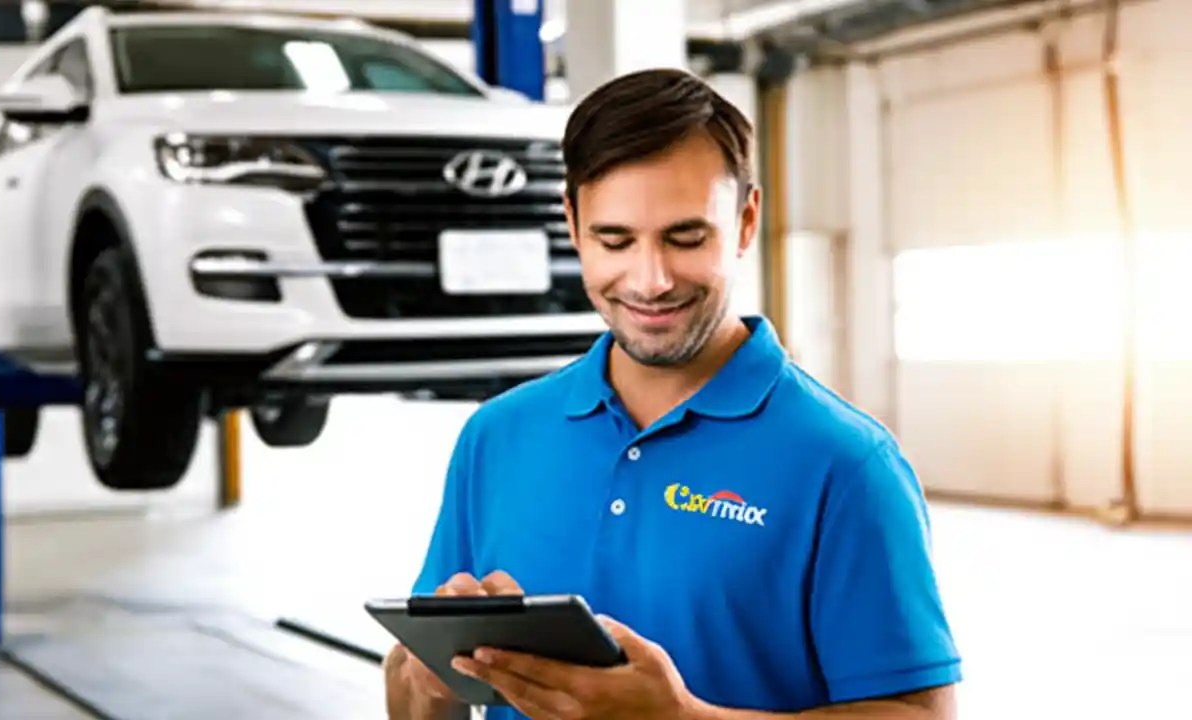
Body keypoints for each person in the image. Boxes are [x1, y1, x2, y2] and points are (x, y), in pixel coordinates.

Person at [383, 68, 961, 720]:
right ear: (573, 224)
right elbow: (413, 696)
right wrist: (426, 680)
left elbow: (921, 714)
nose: (651, 280)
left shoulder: (845, 464)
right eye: (615, 240)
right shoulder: (497, 437)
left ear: (745, 222)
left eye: (685, 238)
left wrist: (682, 719)